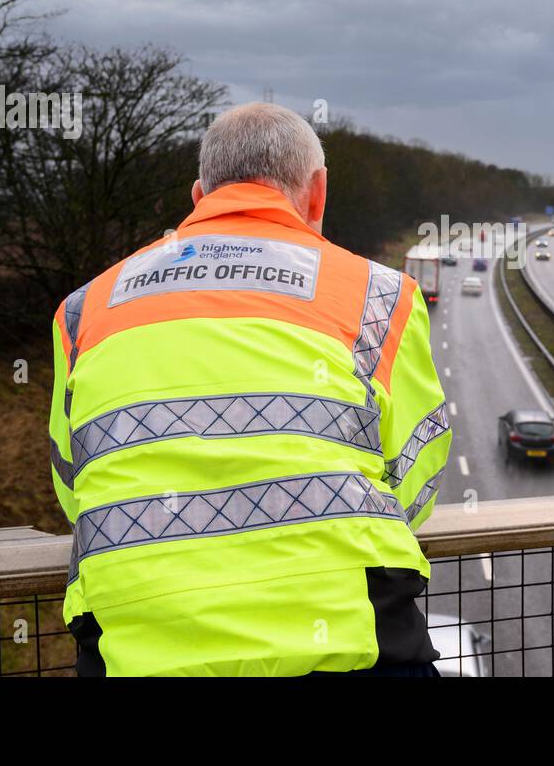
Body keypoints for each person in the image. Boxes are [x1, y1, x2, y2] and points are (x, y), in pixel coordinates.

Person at [47, 102, 452, 676]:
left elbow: (73, 484)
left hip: (135, 652)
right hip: (350, 644)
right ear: (318, 193)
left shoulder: (83, 310)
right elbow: (416, 477)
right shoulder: (379, 295)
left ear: (198, 196)